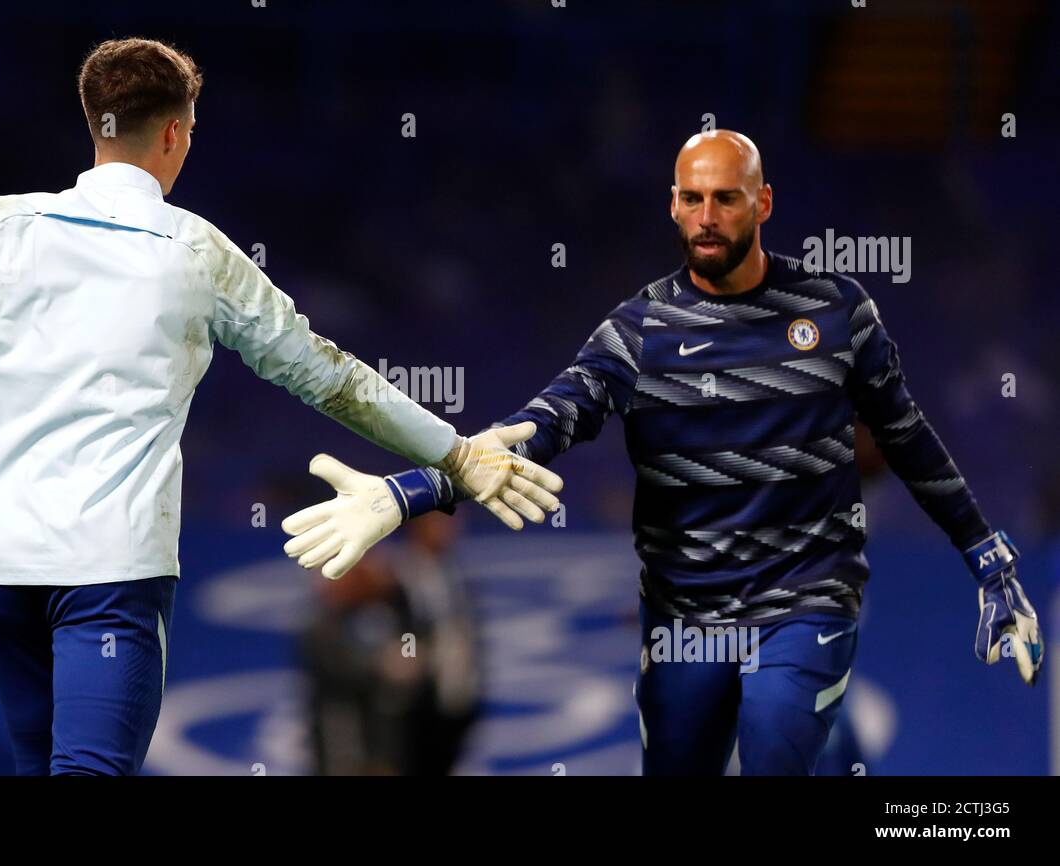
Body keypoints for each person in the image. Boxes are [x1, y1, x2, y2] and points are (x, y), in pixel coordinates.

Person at [0, 37, 562, 775]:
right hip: (111, 571)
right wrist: (454, 453)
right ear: (173, 132)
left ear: (94, 123)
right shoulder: (197, 253)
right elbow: (330, 377)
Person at [282, 129, 1044, 775]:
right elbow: (535, 429)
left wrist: (989, 558)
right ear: (674, 204)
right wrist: (407, 494)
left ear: (763, 203)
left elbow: (905, 434)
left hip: (805, 599)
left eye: (726, 198)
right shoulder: (637, 331)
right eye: (691, 198)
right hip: (685, 618)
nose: (706, 217)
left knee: (776, 742)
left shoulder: (837, 312)